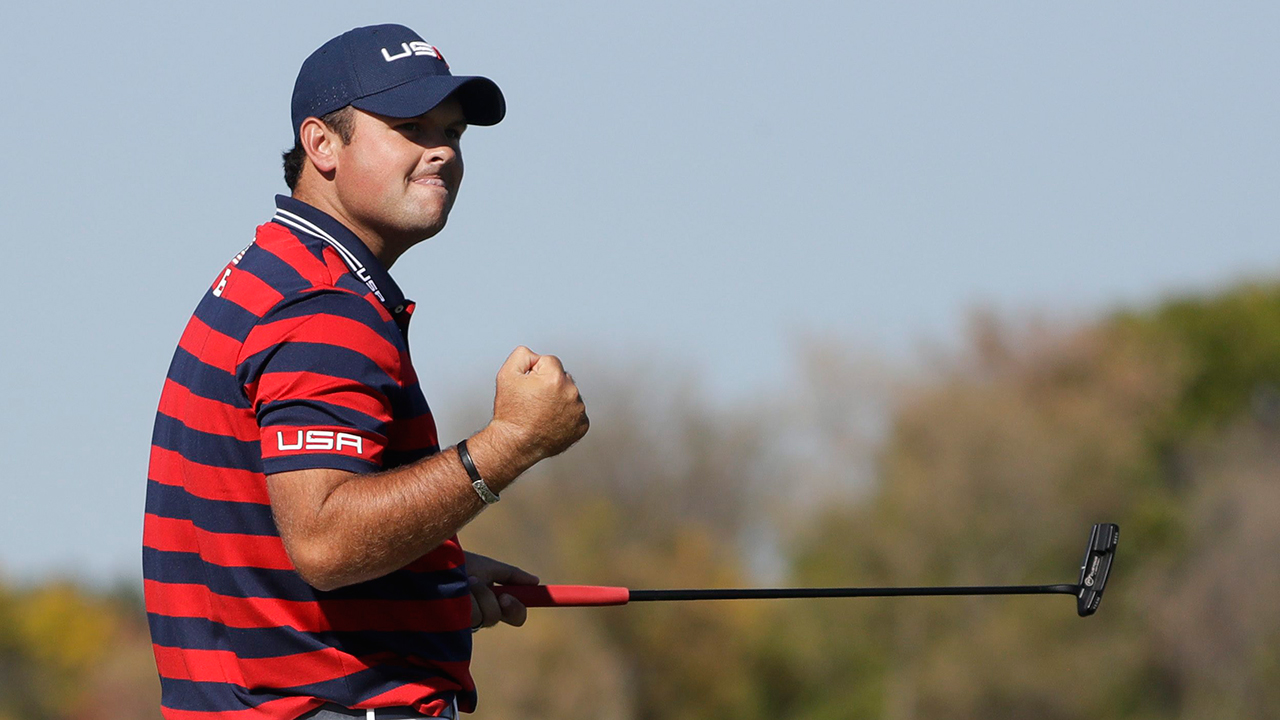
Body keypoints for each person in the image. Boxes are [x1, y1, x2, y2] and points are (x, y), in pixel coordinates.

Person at [142, 23, 589, 720]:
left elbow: (274, 540)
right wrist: (510, 445)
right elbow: (323, 539)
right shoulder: (327, 307)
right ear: (322, 144)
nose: (441, 149)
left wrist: (422, 570)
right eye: (411, 126)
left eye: (454, 131)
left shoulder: (270, 271)